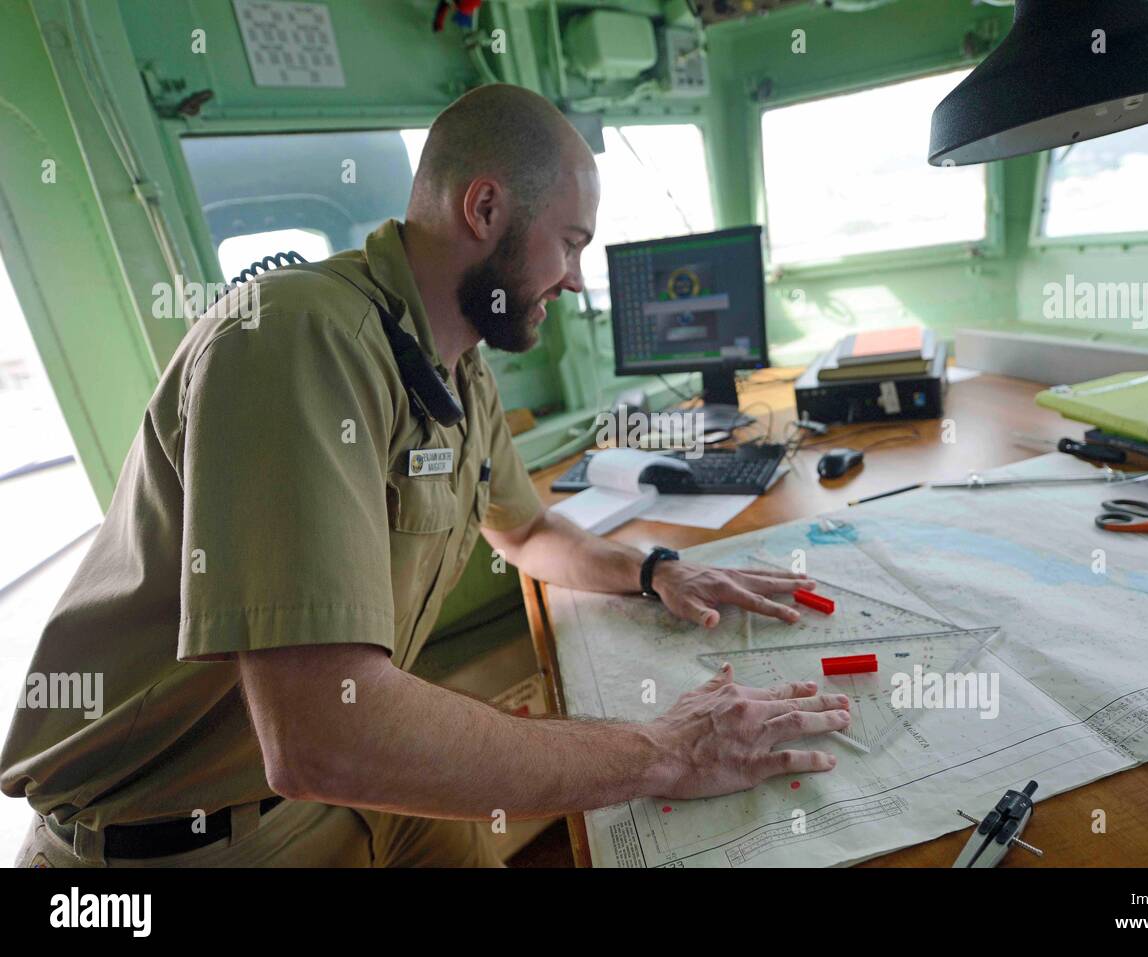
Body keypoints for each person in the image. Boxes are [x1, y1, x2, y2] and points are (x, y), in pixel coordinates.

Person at [2, 83, 850, 868]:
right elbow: (320, 735)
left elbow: (524, 529)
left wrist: (658, 570)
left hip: (337, 792)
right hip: (170, 840)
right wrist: (662, 751)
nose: (576, 278)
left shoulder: (458, 364)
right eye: (570, 242)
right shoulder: (297, 340)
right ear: (485, 207)